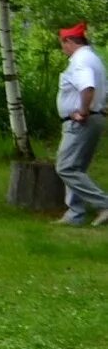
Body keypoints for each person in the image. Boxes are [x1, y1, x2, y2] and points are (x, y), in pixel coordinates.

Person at [54, 21, 107, 226]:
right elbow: (104, 88)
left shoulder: (80, 60)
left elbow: (88, 87)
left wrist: (83, 111)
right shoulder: (94, 59)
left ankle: (104, 203)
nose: (62, 49)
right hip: (95, 117)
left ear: (68, 41)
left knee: (65, 167)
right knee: (76, 168)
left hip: (81, 122)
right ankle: (75, 214)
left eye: (62, 44)